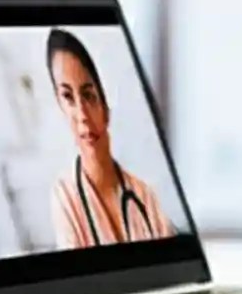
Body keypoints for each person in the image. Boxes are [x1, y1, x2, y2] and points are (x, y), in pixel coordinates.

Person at [47, 28, 175, 249]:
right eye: (68, 97)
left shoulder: (145, 195)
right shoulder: (64, 196)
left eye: (89, 95)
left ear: (106, 106)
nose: (83, 116)